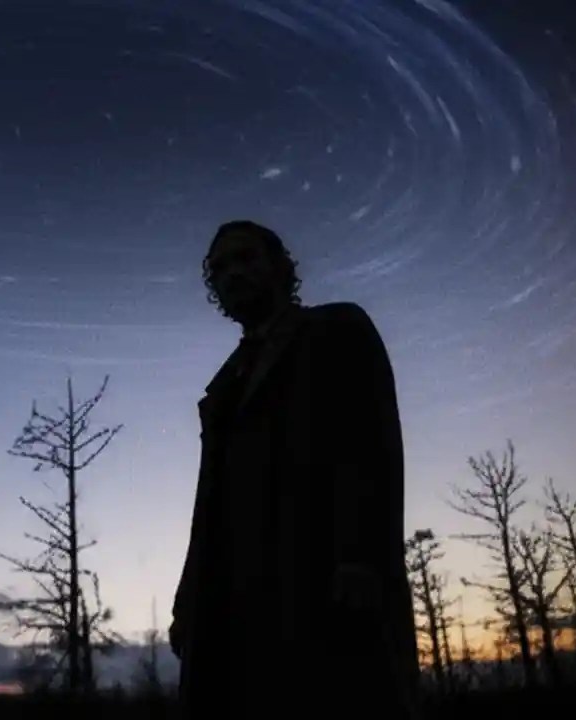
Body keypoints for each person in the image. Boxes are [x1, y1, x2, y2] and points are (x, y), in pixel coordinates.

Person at [170, 220, 418, 716]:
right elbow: (208, 502)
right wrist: (189, 599)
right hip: (235, 598)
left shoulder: (337, 328)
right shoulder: (222, 386)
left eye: (245, 258)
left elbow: (371, 444)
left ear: (280, 265)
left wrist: (359, 556)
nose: (231, 274)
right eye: (218, 269)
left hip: (318, 578)